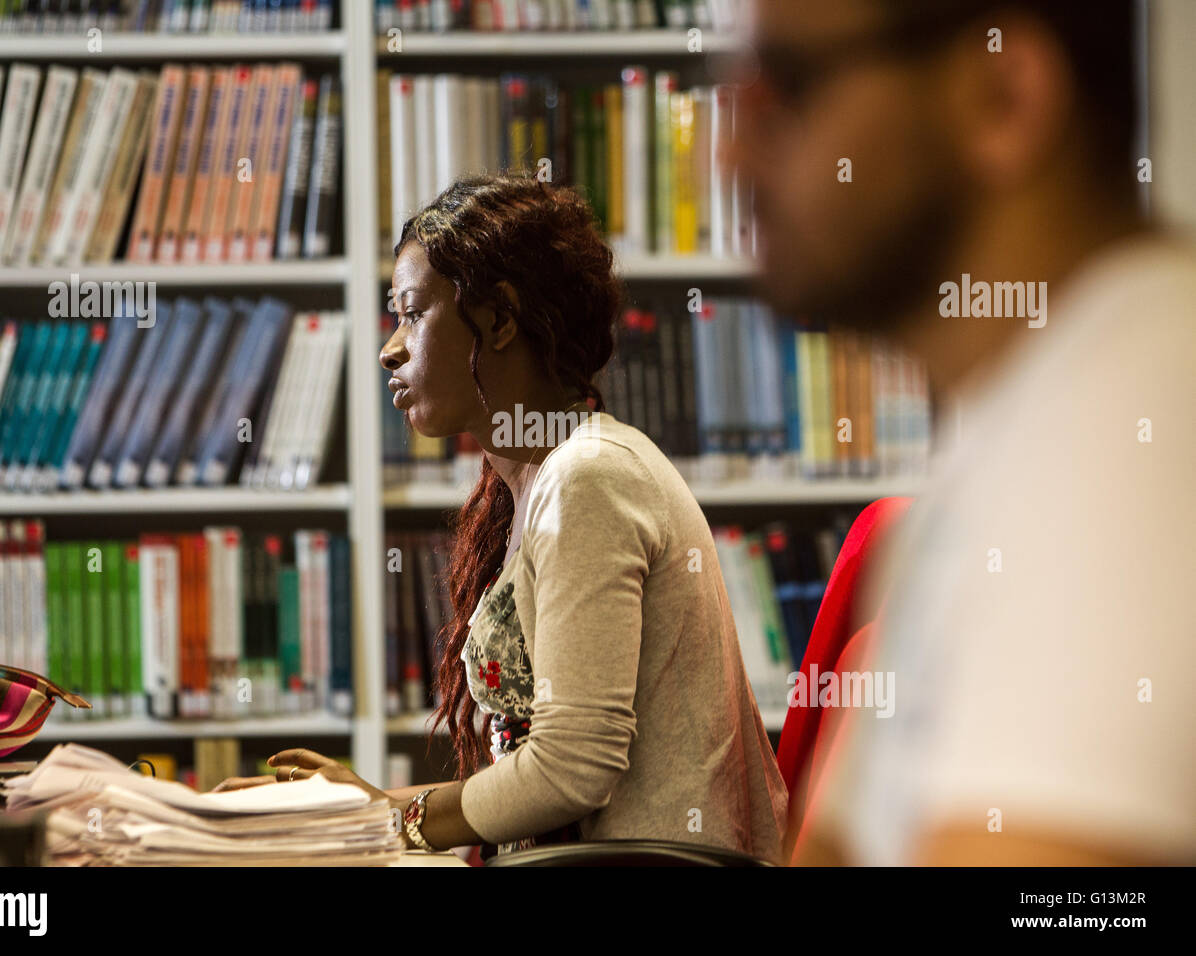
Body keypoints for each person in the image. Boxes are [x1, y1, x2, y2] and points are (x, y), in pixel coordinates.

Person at [723, 0, 1195, 864]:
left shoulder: (1132, 418)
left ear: (1003, 96)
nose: (728, 152)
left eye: (788, 87)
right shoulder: (1015, 418)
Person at [219, 173, 788, 864]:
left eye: (411, 314)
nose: (389, 349)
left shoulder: (590, 479)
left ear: (499, 319)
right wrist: (369, 806)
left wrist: (388, 824)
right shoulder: (542, 479)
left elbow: (572, 768)